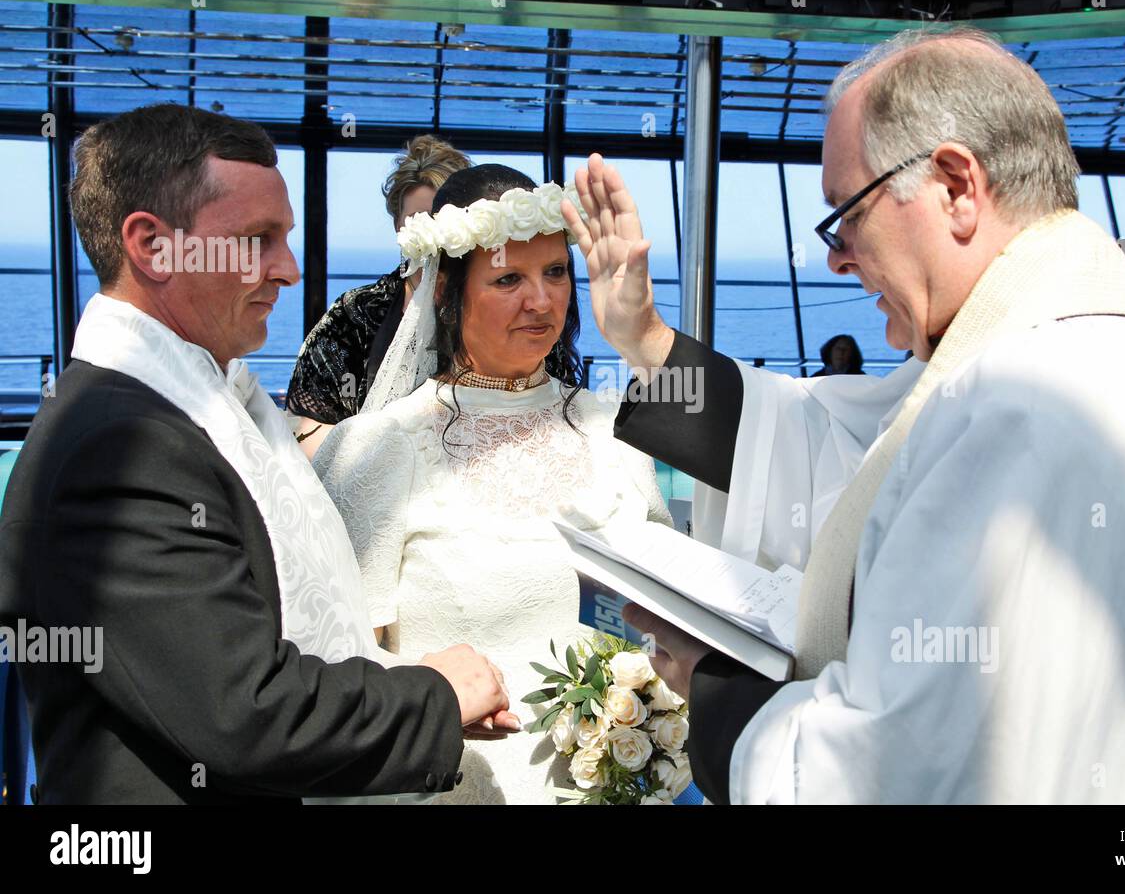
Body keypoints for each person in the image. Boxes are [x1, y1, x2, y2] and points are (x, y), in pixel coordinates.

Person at [564, 28, 1125, 804]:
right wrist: (644, 343)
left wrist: (719, 697)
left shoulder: (1020, 395)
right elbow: (812, 432)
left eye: (846, 211)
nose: (838, 257)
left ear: (954, 186)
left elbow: (900, 768)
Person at [0, 104, 514, 804]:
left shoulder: (203, 407)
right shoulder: (116, 452)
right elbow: (243, 710)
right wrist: (433, 697)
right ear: (153, 246)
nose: (290, 271)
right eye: (257, 240)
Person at [312, 164, 675, 804]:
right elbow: (336, 664)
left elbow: (667, 612)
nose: (541, 301)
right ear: (445, 293)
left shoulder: (613, 429)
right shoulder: (377, 449)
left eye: (555, 273)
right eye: (508, 278)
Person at [287, 135, 471, 459]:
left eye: (444, 220)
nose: (433, 235)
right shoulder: (354, 314)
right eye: (418, 221)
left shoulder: (502, 309)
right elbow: (306, 422)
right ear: (397, 227)